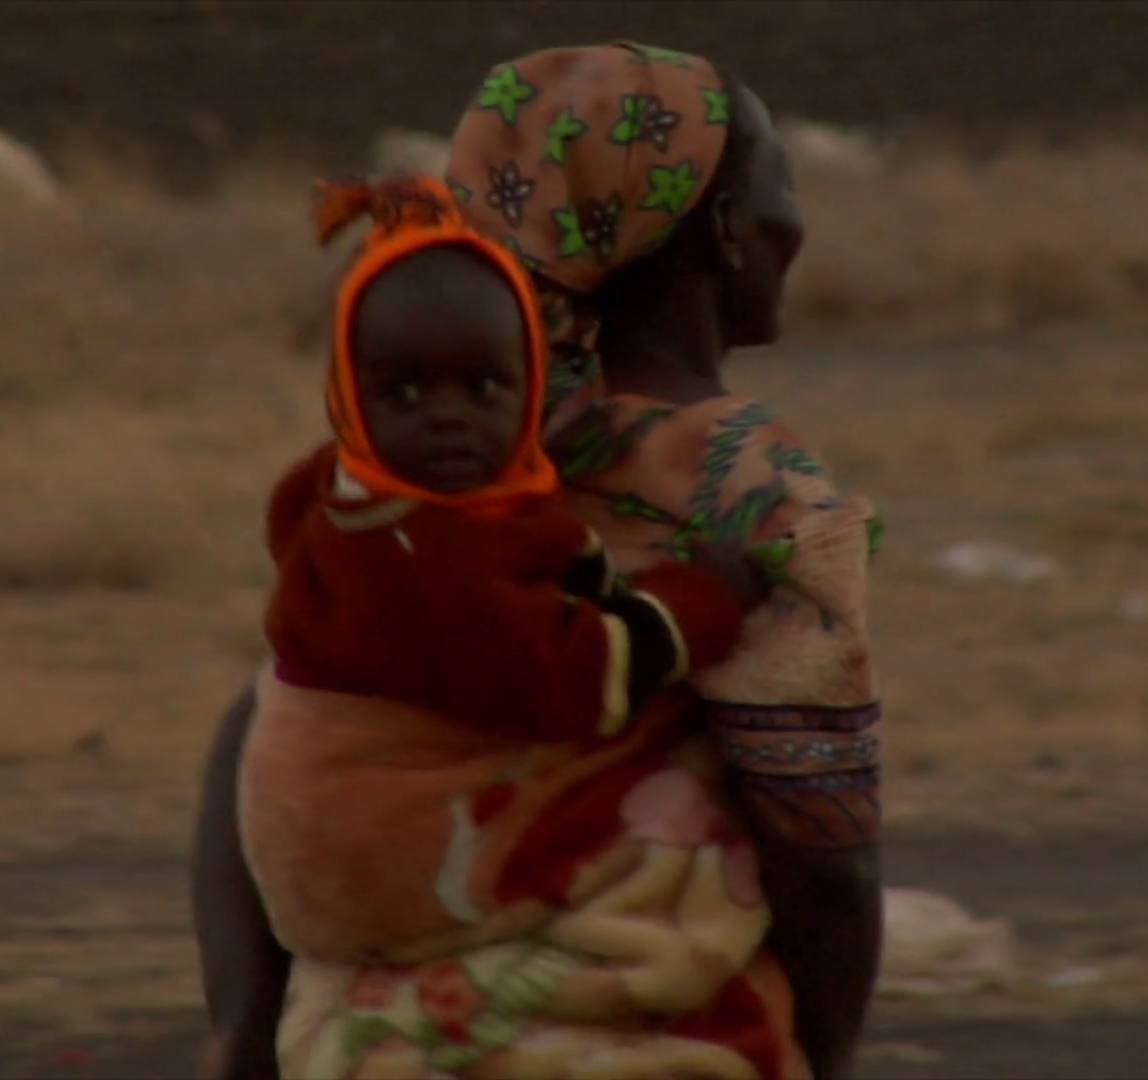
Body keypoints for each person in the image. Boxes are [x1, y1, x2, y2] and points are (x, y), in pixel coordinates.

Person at [194, 42, 884, 1080]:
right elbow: (820, 840)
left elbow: (266, 722)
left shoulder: (428, 455)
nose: (798, 220)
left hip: (369, 1036)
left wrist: (244, 1033)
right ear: (730, 226)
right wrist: (821, 1055)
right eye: (779, 184)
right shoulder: (753, 491)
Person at [247, 173, 773, 971]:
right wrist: (702, 601)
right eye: (403, 391)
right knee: (690, 826)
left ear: (530, 383)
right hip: (377, 851)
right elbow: (572, 678)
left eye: (483, 385)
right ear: (349, 396)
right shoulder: (420, 548)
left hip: (319, 836)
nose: (447, 415)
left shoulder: (352, 492)